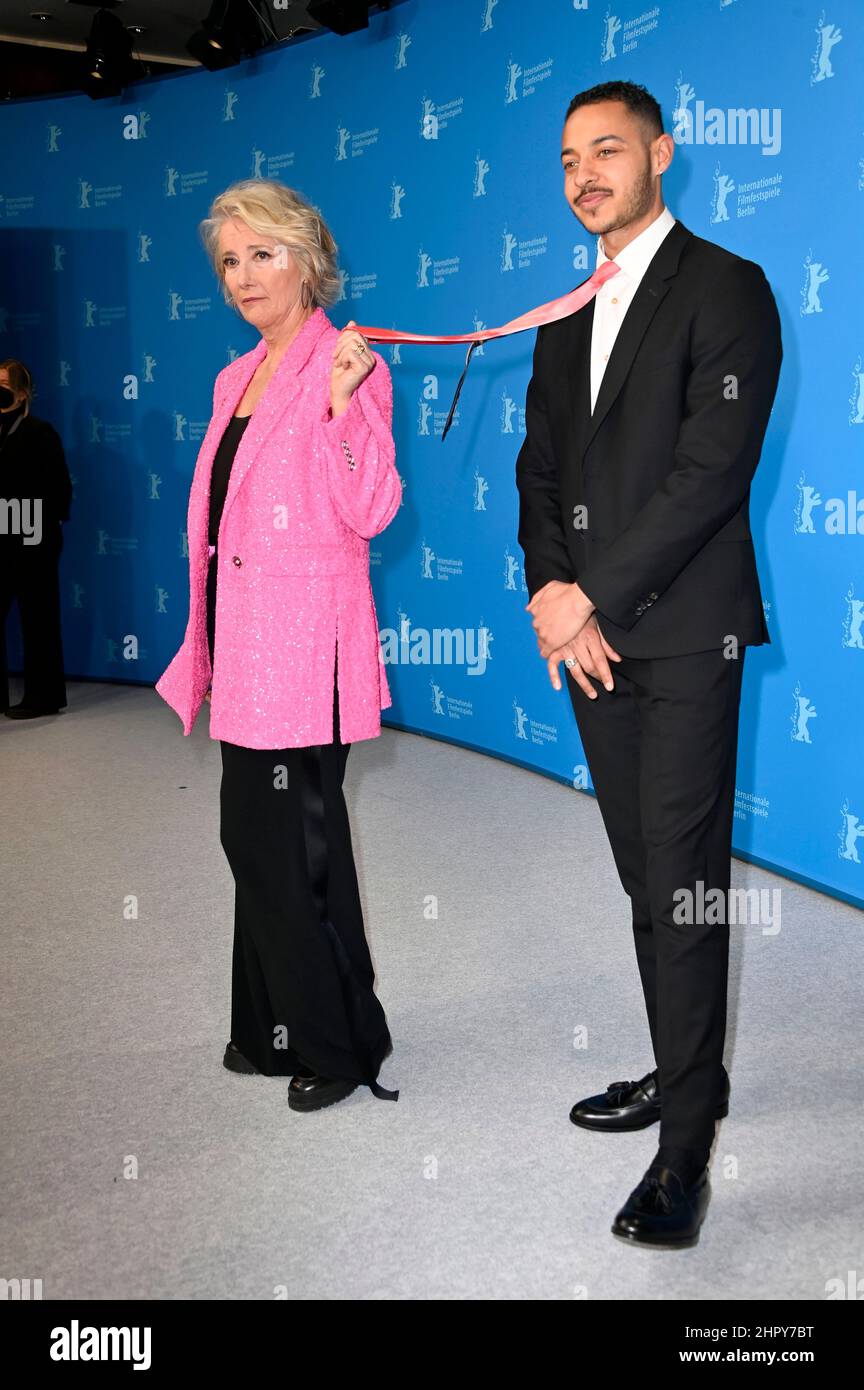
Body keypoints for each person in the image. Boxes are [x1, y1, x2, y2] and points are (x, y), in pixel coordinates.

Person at [516, 81, 782, 1247]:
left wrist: (593, 594)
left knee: (679, 885)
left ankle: (684, 1154)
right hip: (591, 646)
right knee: (647, 881)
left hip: (680, 634)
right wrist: (549, 594)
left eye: (608, 150)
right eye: (569, 157)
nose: (585, 174)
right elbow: (538, 474)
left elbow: (709, 475)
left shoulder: (728, 287)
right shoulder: (564, 311)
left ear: (661, 154)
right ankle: (688, 1074)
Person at [155, 178, 402, 1111]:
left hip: (304, 654)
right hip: (244, 651)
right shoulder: (235, 375)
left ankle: (340, 1045)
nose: (244, 275)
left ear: (308, 260)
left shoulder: (348, 362)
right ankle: (271, 1028)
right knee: (255, 840)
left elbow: (372, 507)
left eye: (264, 254)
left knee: (295, 848)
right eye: (229, 260)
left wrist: (342, 406)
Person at [0, 359, 72, 719]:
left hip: (32, 536)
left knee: (37, 618)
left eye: (3, 383)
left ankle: (42, 698)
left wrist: (36, 527)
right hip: (1, 534)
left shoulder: (39, 432)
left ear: (22, 392)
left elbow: (59, 490)